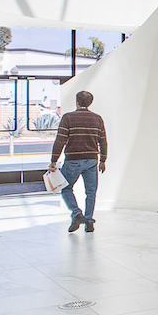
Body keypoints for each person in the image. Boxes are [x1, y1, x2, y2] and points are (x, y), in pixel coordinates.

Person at [47, 90, 107, 233]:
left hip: (73, 160)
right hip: (92, 160)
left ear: (77, 102)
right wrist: (103, 160)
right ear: (90, 103)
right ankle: (89, 222)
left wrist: (53, 161)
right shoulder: (97, 118)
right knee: (91, 192)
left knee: (65, 187)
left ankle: (76, 213)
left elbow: (60, 140)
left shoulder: (68, 118)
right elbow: (103, 141)